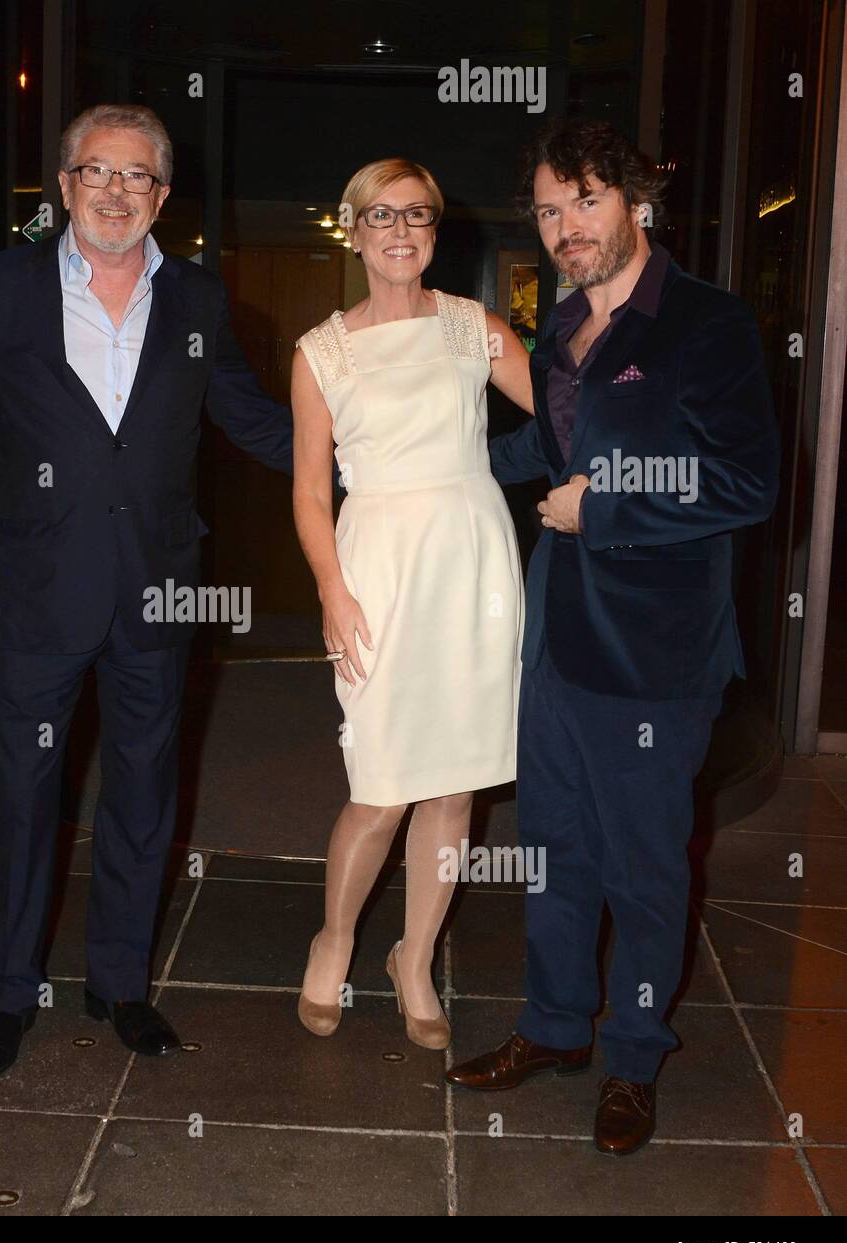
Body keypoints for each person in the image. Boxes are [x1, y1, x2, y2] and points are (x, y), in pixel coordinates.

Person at [446, 119, 780, 1156]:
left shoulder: (705, 324)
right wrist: (414, 457)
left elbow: (746, 483)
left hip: (655, 657)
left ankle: (633, 1054)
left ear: (636, 204)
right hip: (557, 642)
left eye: (583, 201)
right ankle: (554, 1028)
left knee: (642, 870)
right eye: (547, 210)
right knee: (553, 853)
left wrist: (610, 506)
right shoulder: (558, 327)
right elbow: (539, 449)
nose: (563, 228)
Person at [0, 104, 294, 1078]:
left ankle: (120, 984)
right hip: (37, 588)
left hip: (158, 592)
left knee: (143, 795)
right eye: (96, 172)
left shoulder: (200, 302)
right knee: (27, 798)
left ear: (162, 197)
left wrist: (372, 462)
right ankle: (9, 993)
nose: (114, 192)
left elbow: (251, 421)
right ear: (63, 185)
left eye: (137, 177)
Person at [292, 159, 533, 1046]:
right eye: (381, 216)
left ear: (436, 231)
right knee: (383, 786)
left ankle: (415, 955)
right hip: (378, 572)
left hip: (471, 566)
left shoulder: (472, 328)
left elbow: (567, 410)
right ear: (352, 230)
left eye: (417, 216)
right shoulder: (322, 352)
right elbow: (312, 494)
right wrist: (330, 586)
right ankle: (336, 936)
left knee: (456, 784)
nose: (400, 231)